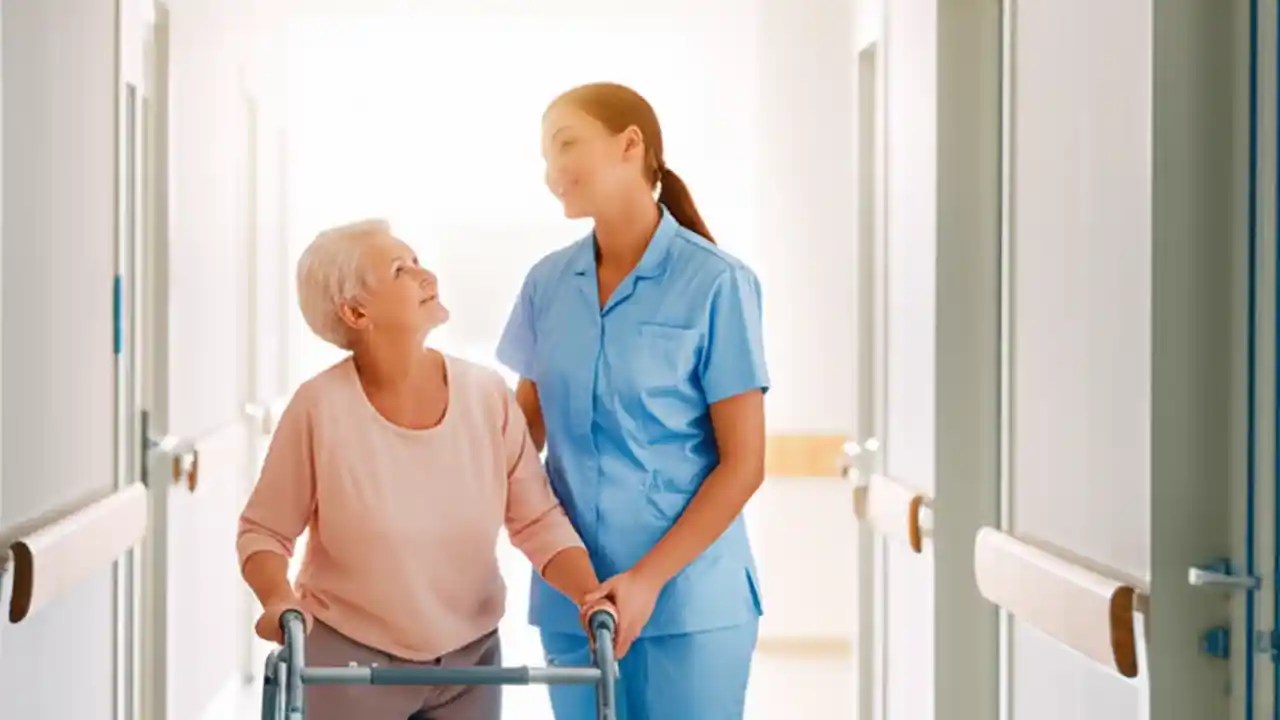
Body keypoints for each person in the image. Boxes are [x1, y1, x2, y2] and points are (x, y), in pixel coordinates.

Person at [237, 219, 611, 720]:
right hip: (348, 660)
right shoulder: (318, 409)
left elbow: (537, 520)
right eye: (400, 270)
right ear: (356, 311)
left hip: (470, 661)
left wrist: (591, 595)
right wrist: (278, 599)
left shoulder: (486, 396)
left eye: (417, 261)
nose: (424, 274)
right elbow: (264, 531)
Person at [497, 82, 769, 720]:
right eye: (543, 156)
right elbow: (516, 442)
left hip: (690, 605)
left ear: (630, 145)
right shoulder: (547, 283)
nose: (552, 172)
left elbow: (744, 464)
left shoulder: (717, 283)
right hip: (575, 600)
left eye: (566, 145)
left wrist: (647, 580)